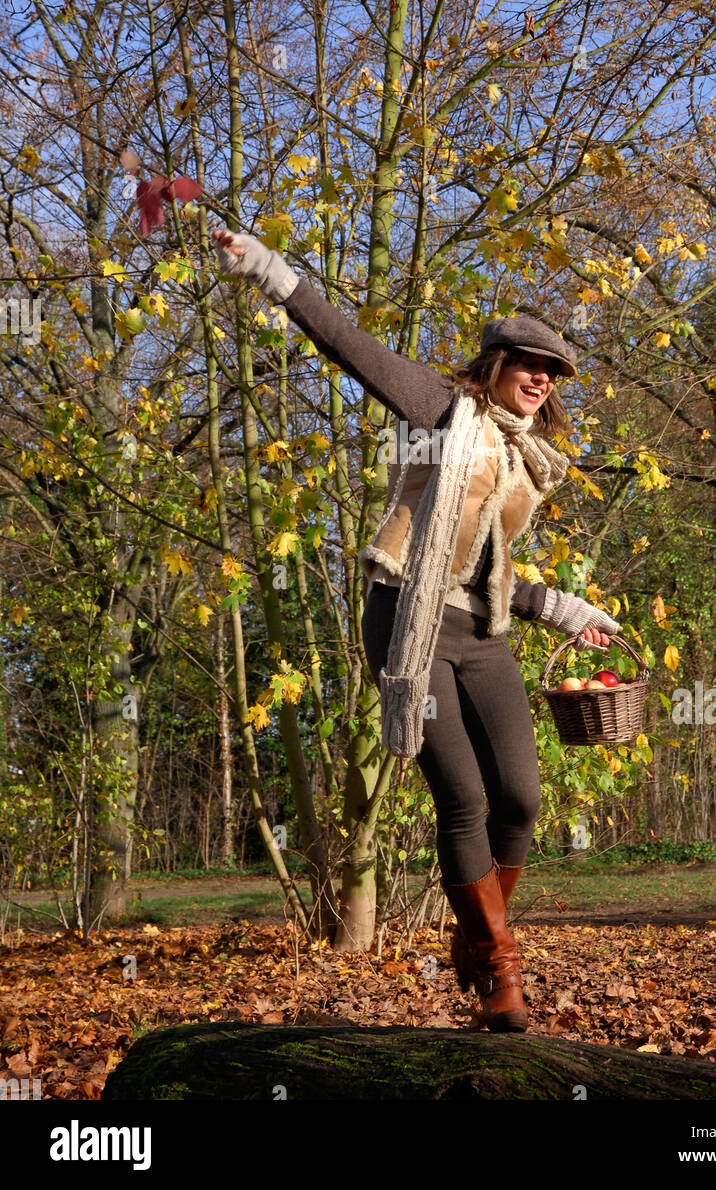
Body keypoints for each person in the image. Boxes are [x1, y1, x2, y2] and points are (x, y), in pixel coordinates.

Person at [210, 227, 620, 1032]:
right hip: (408, 621)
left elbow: (490, 568)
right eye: (529, 364)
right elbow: (349, 345)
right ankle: (501, 972)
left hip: (481, 632)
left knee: (522, 799)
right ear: (494, 366)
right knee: (462, 797)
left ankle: (473, 946)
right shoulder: (442, 411)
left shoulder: (528, 461)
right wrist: (269, 268)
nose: (541, 379)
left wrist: (568, 609)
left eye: (553, 371)